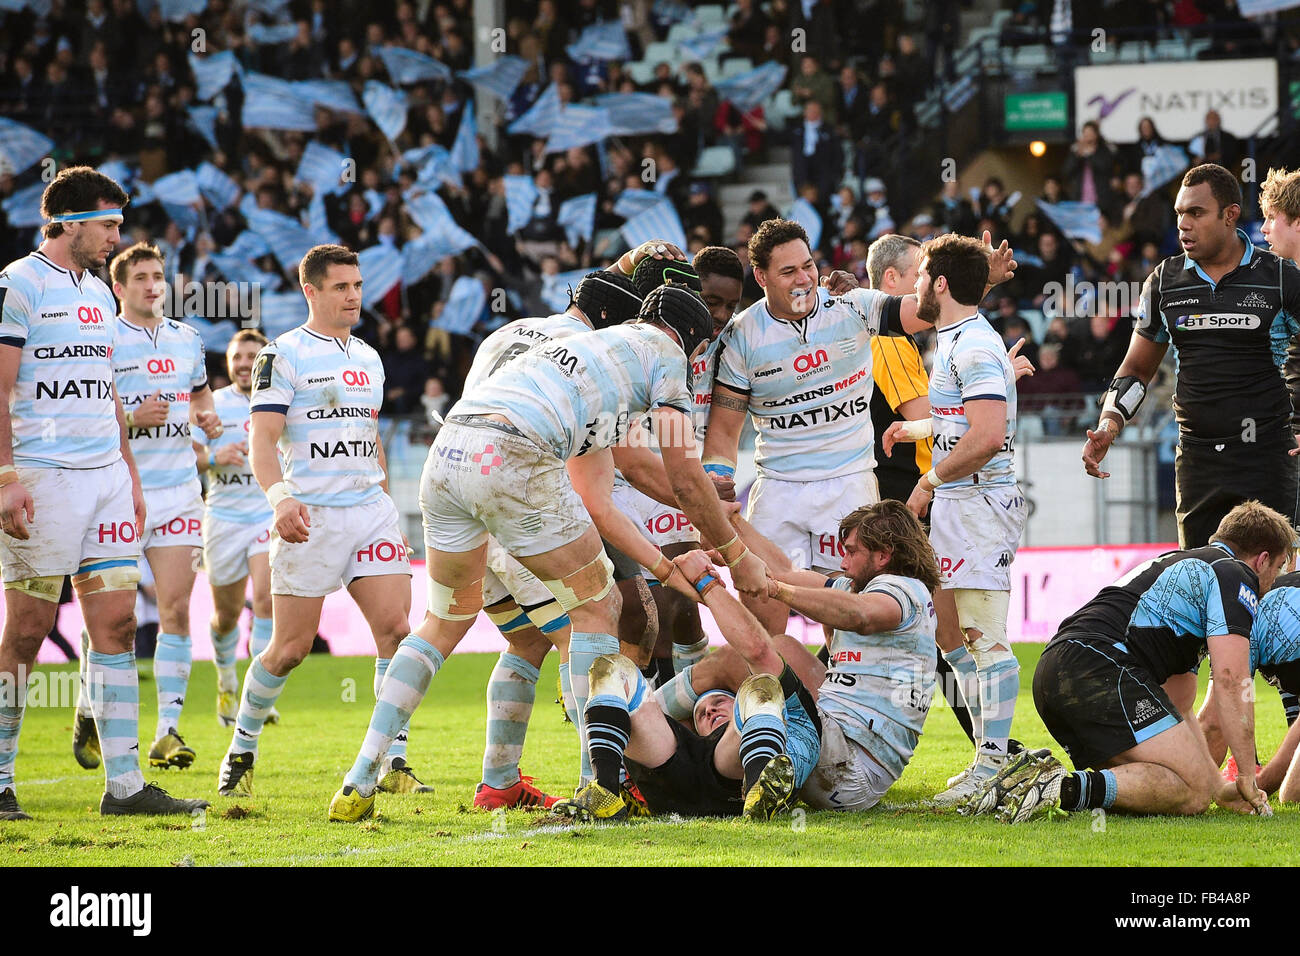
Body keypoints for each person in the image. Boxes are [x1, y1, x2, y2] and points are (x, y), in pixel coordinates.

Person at [327, 284, 767, 823]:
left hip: (447, 453)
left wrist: (665, 566)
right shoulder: (669, 361)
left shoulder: (587, 356)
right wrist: (734, 551)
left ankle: (360, 777)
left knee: (443, 621)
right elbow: (684, 475)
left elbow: (600, 505)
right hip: (514, 454)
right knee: (597, 612)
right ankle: (598, 783)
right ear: (697, 346)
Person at [0, 166, 207, 819]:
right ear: (68, 221)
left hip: (109, 483)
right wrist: (5, 477)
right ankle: (0, 777)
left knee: (116, 626)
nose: (118, 236)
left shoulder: (95, 292)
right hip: (42, 476)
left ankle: (125, 787)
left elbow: (106, 389)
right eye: (109, 223)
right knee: (29, 632)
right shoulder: (18, 284)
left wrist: (130, 473)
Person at [703, 219, 1015, 641]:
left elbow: (930, 310)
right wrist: (718, 479)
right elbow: (724, 431)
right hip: (778, 486)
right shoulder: (742, 337)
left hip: (849, 483)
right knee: (763, 622)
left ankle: (838, 705)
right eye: (788, 271)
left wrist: (983, 283)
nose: (804, 279)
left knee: (850, 624)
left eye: (808, 266)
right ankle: (772, 706)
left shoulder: (850, 305)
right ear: (760, 277)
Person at [216, 245, 429, 800]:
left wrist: (386, 500)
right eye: (341, 287)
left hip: (370, 512)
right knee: (288, 648)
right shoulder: (282, 355)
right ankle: (242, 745)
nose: (354, 295)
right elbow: (261, 442)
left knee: (398, 634)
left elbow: (372, 436)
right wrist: (281, 499)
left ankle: (394, 759)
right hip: (310, 516)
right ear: (310, 291)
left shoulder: (370, 357)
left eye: (357, 285)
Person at [456, 267, 644, 810]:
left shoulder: (506, 332)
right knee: (585, 626)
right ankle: (600, 779)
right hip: (523, 507)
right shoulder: (584, 353)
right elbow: (608, 460)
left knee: (525, 641)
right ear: (610, 318)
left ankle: (498, 782)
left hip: (465, 503)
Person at [991, 501, 1292, 822]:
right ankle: (1055, 785)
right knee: (1192, 793)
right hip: (1099, 668)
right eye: (1277, 568)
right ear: (1261, 560)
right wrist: (1246, 774)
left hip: (1056, 670)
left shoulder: (1184, 565)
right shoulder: (1235, 574)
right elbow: (1233, 678)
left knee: (1181, 784)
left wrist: (1218, 785)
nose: (1274, 581)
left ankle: (1039, 785)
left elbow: (1179, 704)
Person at [1082, 164, 1300, 549]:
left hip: (1267, 460)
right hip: (1198, 463)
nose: (1184, 223)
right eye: (1180, 213)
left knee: (1273, 590)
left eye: (1196, 213)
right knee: (1202, 588)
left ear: (1230, 215)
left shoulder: (1281, 277)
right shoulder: (1164, 281)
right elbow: (1135, 371)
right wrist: (1108, 425)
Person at [881, 233, 1027, 803]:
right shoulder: (957, 339)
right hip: (958, 509)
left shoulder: (973, 348)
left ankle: (995, 767)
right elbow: (961, 423)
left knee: (984, 639)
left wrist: (927, 480)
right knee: (948, 633)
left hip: (981, 508)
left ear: (940, 285)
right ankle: (985, 760)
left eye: (921, 275)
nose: (916, 285)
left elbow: (988, 437)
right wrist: (916, 430)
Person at [75, 242, 222, 771]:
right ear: (119, 287)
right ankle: (90, 706)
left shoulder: (188, 338)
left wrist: (205, 417)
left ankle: (167, 731)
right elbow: (86, 413)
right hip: (118, 492)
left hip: (181, 490)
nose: (152, 285)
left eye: (158, 275)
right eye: (140, 277)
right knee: (110, 620)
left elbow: (201, 395)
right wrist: (133, 419)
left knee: (177, 609)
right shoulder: (103, 338)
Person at [551, 548, 821, 822]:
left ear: (741, 710)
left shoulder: (774, 704)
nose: (710, 711)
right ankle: (605, 790)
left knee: (763, 685)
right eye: (701, 712)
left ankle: (758, 794)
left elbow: (758, 653)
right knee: (611, 668)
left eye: (719, 703)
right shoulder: (684, 740)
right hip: (673, 778)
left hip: (733, 779)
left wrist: (705, 580)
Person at [736, 500, 941, 811]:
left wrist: (774, 590)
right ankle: (767, 769)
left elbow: (859, 615)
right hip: (844, 758)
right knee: (782, 646)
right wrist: (730, 523)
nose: (843, 563)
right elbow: (783, 570)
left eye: (851, 552)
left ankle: (663, 740)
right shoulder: (860, 588)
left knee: (743, 660)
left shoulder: (902, 589)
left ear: (883, 555)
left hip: (849, 768)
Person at [192, 329, 275, 728]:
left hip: (266, 516)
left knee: (266, 601)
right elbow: (185, 457)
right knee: (225, 617)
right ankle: (226, 678)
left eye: (252, 356)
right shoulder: (214, 406)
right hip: (223, 518)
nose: (244, 363)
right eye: (238, 356)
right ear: (229, 363)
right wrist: (212, 457)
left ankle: (255, 699)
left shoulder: (281, 405)